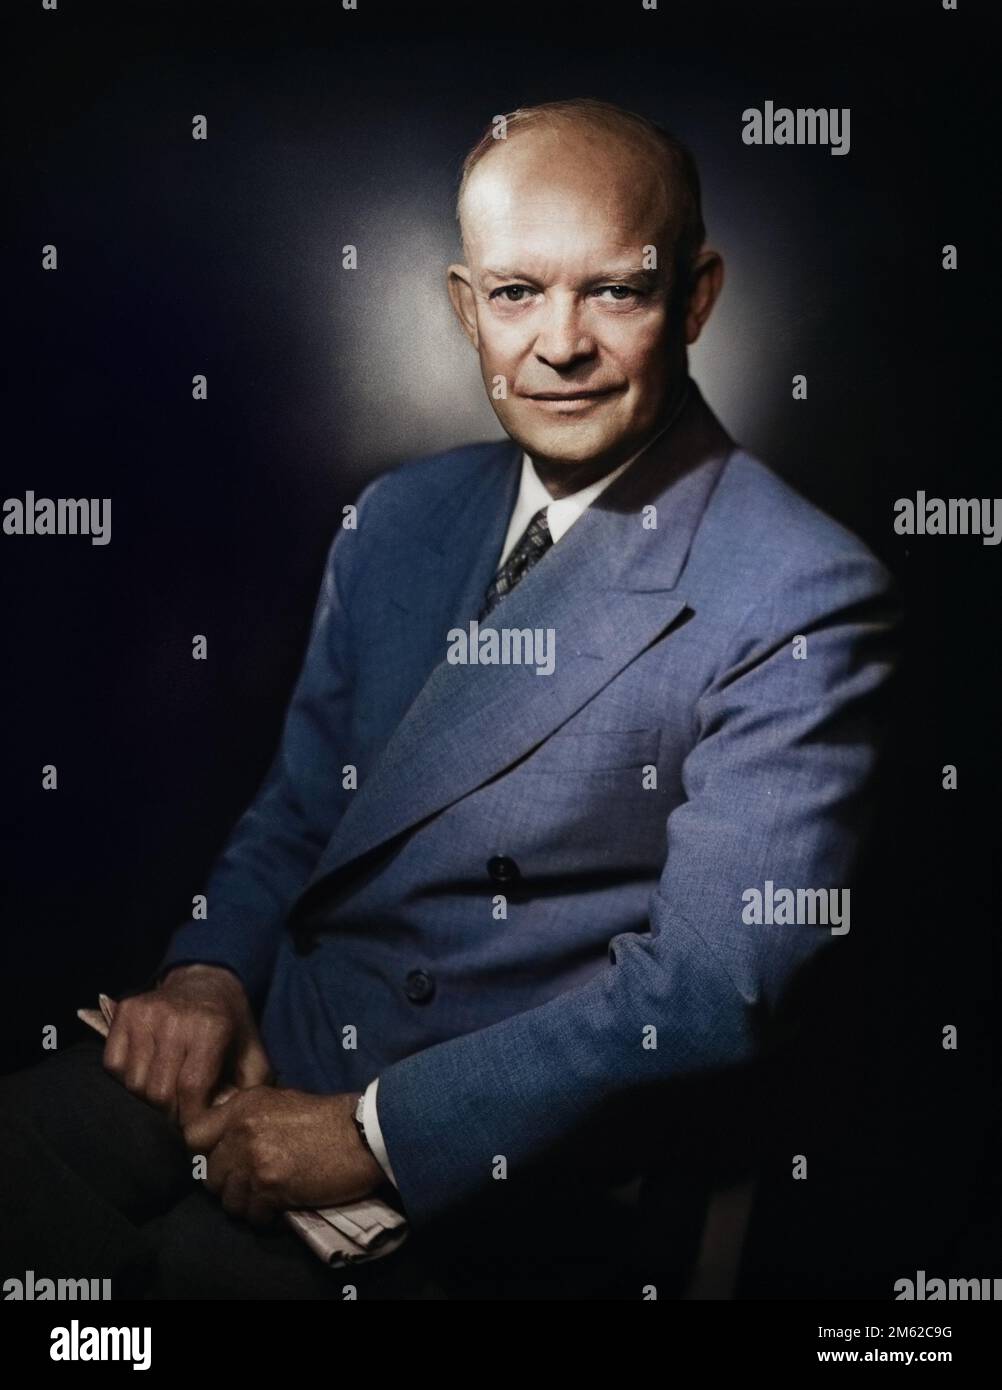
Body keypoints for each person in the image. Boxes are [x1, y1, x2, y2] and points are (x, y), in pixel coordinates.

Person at [0, 98, 899, 1300]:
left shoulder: (802, 589)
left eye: (616, 292)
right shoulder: (398, 517)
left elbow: (705, 989)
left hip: (480, 1158)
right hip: (266, 1036)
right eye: (518, 293)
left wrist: (370, 1134)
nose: (560, 343)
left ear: (695, 297)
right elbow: (300, 810)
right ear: (465, 306)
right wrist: (210, 970)